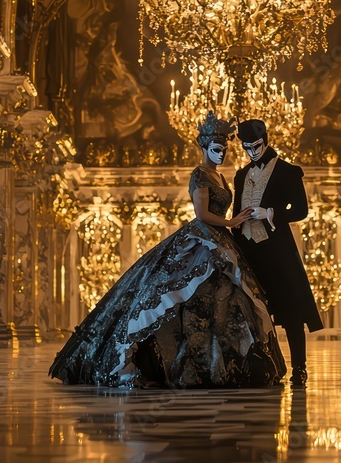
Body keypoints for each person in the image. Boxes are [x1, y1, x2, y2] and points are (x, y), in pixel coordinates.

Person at [49, 111, 285, 388]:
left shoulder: (220, 177)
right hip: (204, 238)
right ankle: (177, 362)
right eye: (216, 150)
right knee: (179, 294)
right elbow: (202, 215)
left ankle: (228, 364)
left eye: (225, 150)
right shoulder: (200, 175)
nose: (221, 155)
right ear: (204, 148)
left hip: (222, 240)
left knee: (229, 296)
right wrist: (231, 222)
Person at [232, 119, 324, 387]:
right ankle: (264, 366)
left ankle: (300, 368)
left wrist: (270, 213)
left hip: (277, 251)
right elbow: (236, 210)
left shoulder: (288, 171)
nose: (252, 152)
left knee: (291, 312)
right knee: (255, 312)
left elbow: (301, 210)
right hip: (248, 251)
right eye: (247, 147)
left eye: (256, 146)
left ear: (267, 140)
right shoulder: (241, 175)